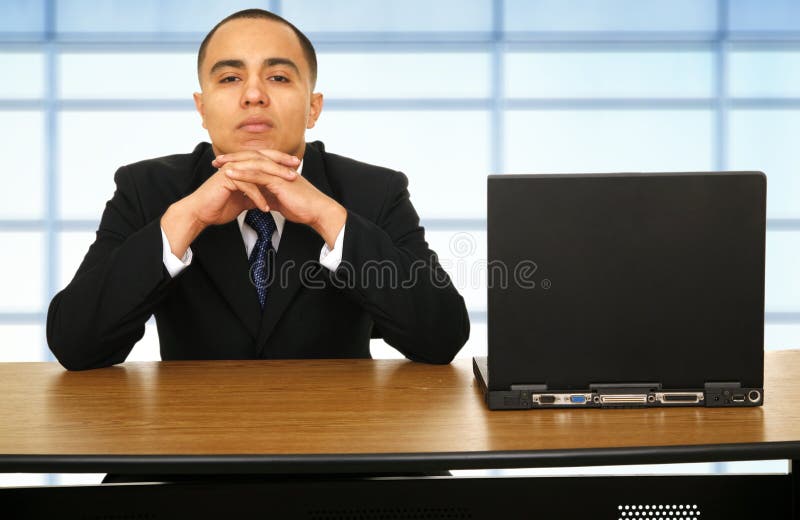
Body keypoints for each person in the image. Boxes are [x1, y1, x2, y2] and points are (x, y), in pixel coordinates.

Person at [46, 9, 470, 371]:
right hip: (189, 449)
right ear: (202, 108)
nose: (253, 95)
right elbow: (75, 343)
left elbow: (441, 337)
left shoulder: (374, 190)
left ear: (313, 108)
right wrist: (187, 218)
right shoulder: (147, 189)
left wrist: (328, 217)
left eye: (279, 77)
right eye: (230, 78)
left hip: (341, 450)